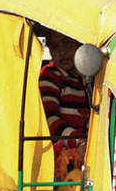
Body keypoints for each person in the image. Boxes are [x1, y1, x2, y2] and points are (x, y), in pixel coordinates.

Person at [38, 30, 89, 178]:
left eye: (67, 43)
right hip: (62, 156)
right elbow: (50, 121)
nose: (62, 51)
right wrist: (80, 141)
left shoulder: (85, 79)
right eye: (54, 46)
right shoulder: (50, 76)